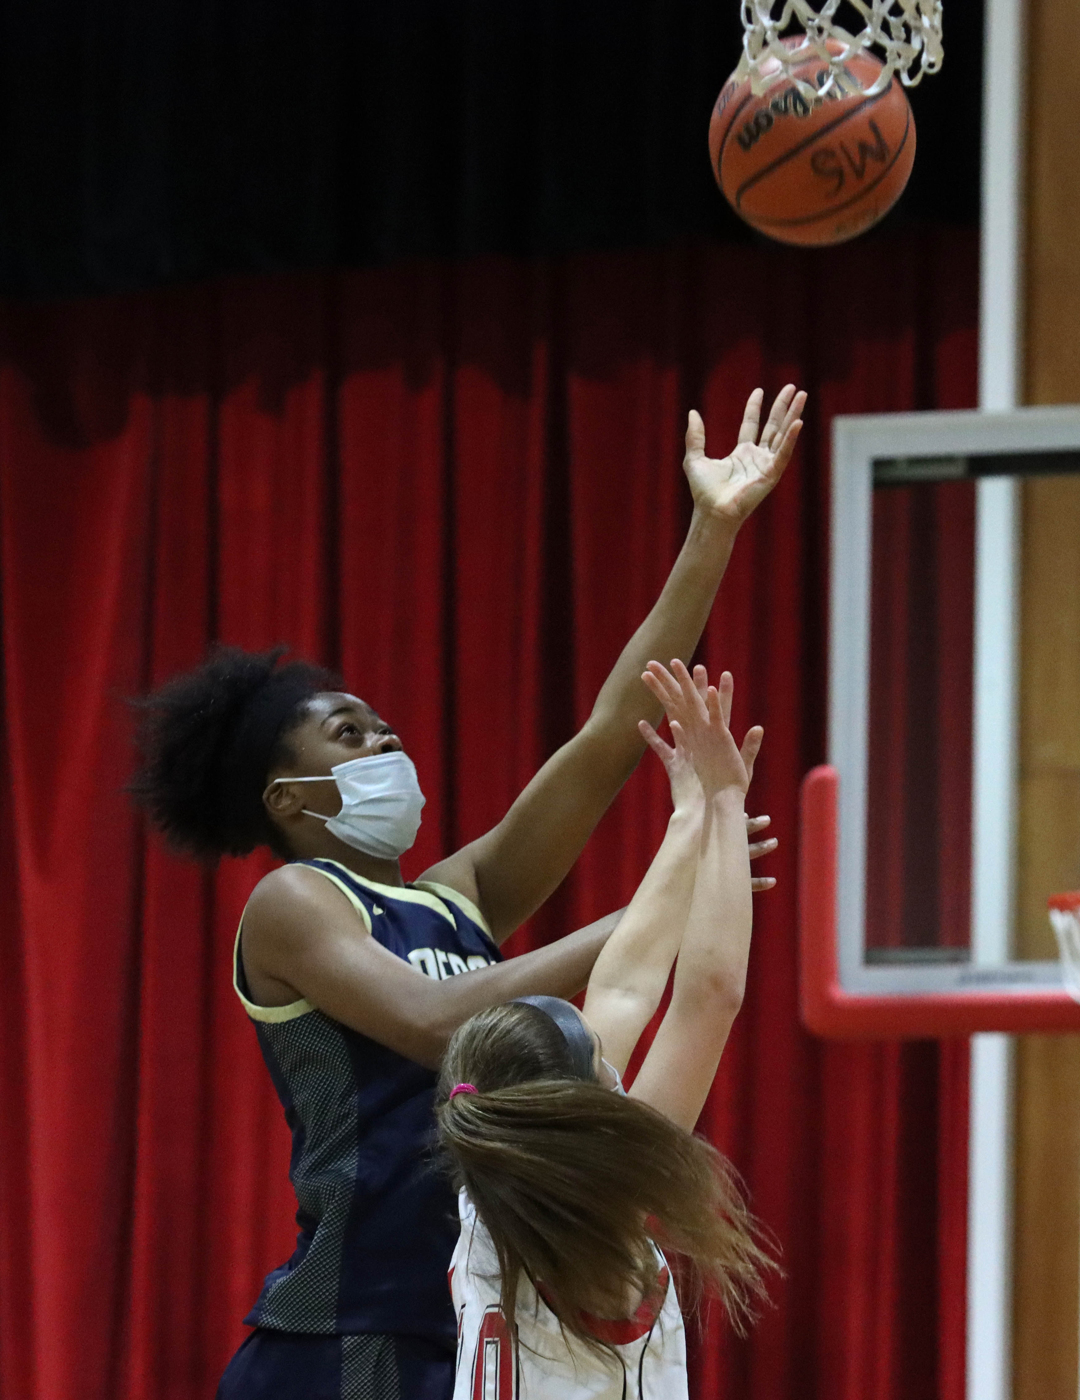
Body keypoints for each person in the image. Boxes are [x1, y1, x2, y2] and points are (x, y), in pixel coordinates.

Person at [126, 387, 804, 1400]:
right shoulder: (296, 903)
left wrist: (712, 527)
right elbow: (434, 1017)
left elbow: (610, 732)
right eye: (348, 733)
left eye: (384, 726)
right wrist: (659, 912)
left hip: (476, 1305)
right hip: (345, 1323)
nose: (384, 739)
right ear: (289, 795)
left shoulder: (457, 897)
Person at [436, 660, 771, 1400]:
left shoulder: (493, 1185)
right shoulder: (603, 1220)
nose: (615, 1058)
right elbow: (707, 995)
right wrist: (722, 800)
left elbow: (626, 983)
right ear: (580, 1103)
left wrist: (692, 819)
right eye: (600, 1059)